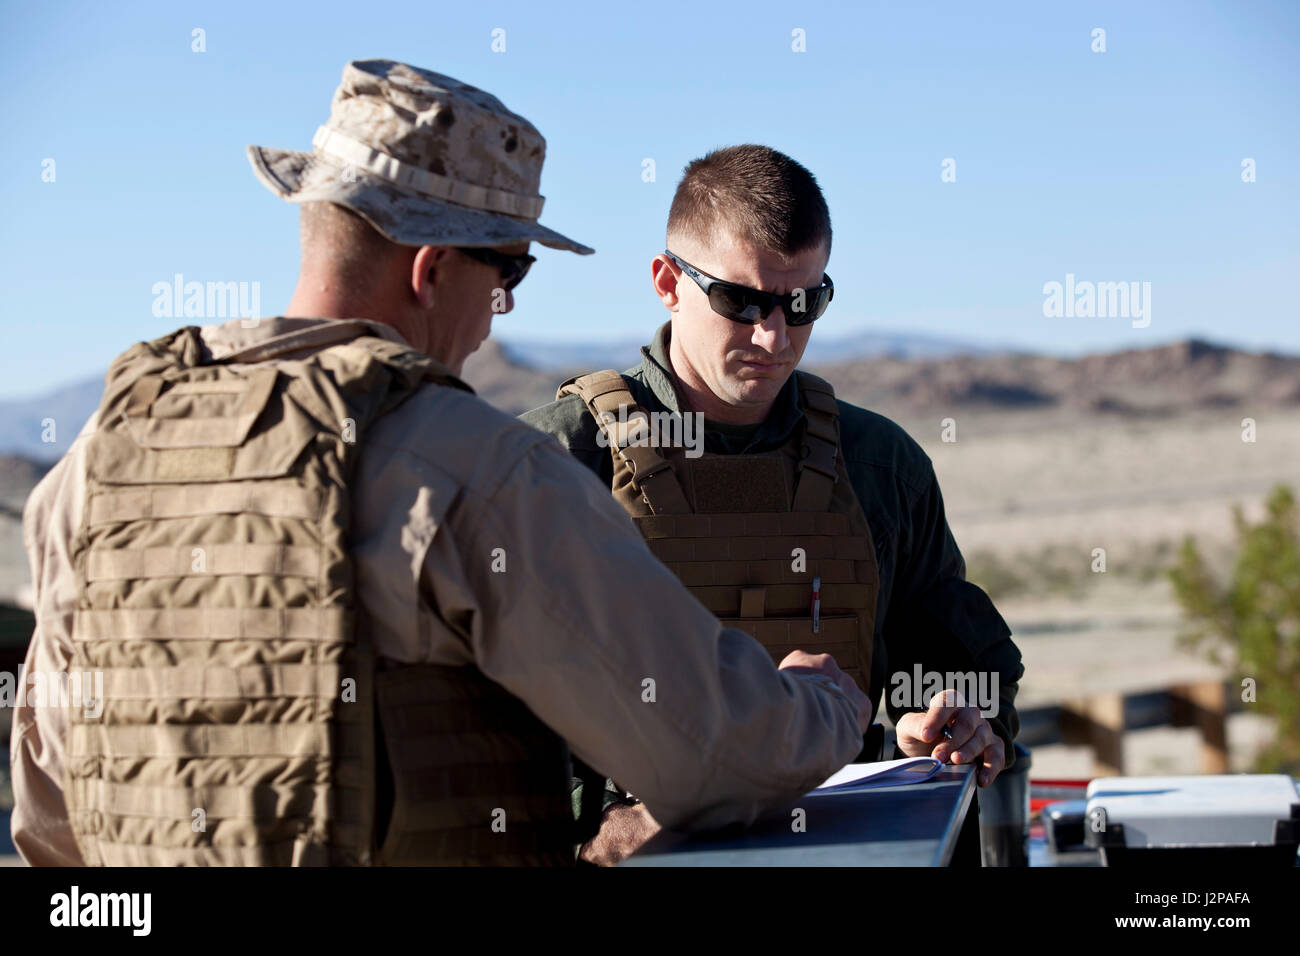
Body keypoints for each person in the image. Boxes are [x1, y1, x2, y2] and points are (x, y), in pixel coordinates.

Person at [9, 62, 870, 867]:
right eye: (511, 271)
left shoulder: (99, 460)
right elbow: (713, 755)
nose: (500, 314)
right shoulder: (467, 470)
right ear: (431, 270)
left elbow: (49, 812)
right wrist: (817, 706)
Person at [522, 144, 1025, 865]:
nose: (774, 336)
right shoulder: (558, 460)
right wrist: (601, 827)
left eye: (802, 303)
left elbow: (951, 653)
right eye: (742, 301)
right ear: (668, 281)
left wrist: (949, 721)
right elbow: (482, 716)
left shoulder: (878, 464)